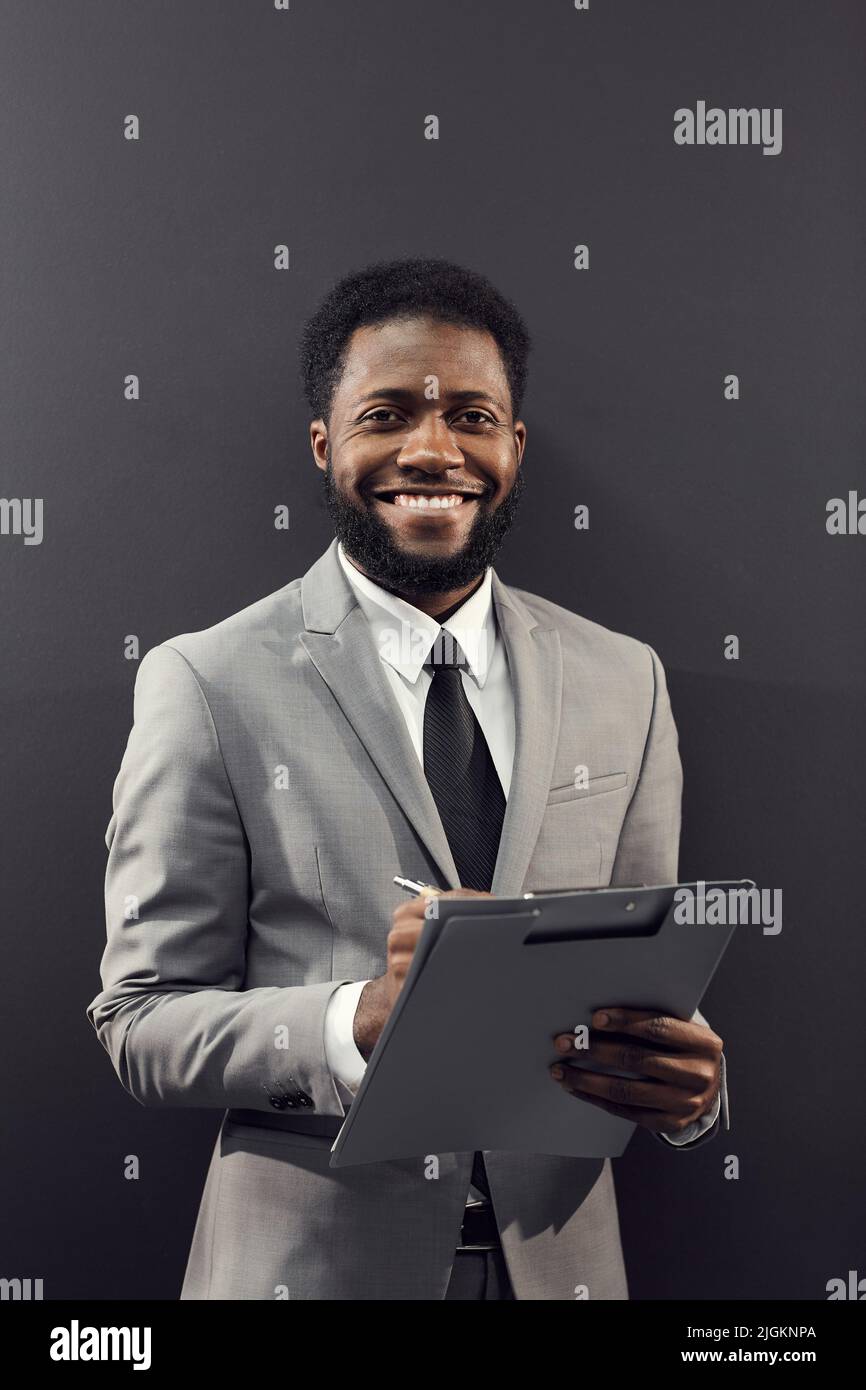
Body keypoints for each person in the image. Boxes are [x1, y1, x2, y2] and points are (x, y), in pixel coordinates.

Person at [87, 257, 728, 1301]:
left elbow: (642, 984)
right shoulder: (206, 681)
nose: (433, 450)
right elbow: (140, 1022)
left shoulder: (626, 680)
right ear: (324, 444)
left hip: (561, 1270)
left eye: (472, 417)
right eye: (386, 414)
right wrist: (355, 1020)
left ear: (513, 448)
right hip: (310, 1274)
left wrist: (688, 1093)